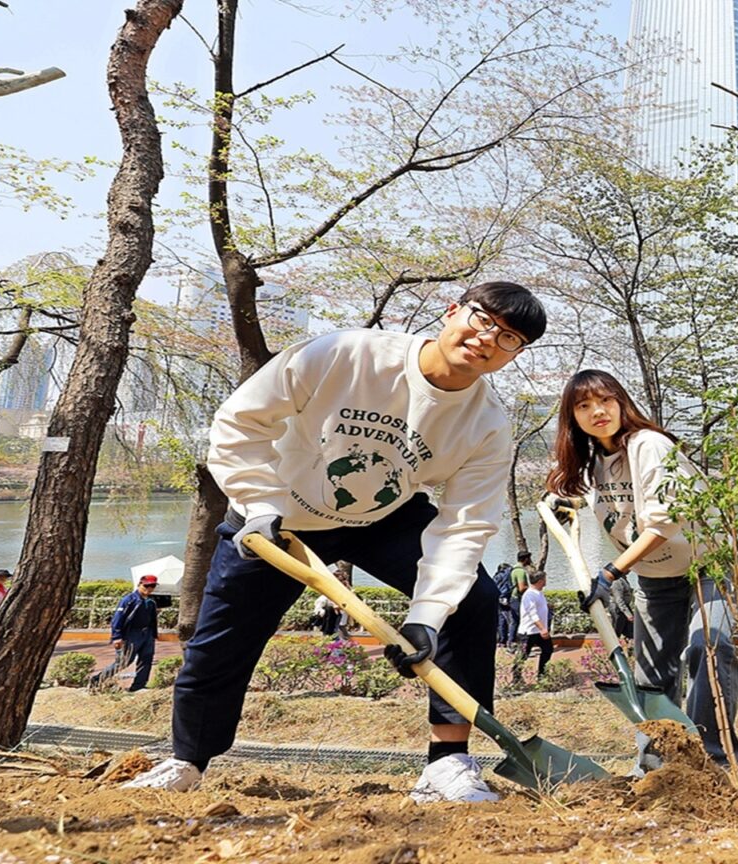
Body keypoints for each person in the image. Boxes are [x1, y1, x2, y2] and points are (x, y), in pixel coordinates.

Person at [123, 280, 546, 803]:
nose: (487, 339)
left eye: (509, 338)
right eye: (483, 320)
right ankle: (187, 760)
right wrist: (259, 503)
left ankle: (448, 762)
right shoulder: (346, 354)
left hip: (384, 516)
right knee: (222, 638)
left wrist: (427, 616)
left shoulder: (487, 425)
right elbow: (240, 422)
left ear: (514, 355)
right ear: (453, 310)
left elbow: (465, 524)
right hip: (277, 516)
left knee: (471, 601)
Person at [545, 369, 738, 765]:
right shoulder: (591, 463)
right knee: (651, 677)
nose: (598, 411)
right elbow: (600, 501)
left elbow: (663, 523)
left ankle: (712, 760)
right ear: (572, 417)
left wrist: (611, 573)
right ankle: (657, 767)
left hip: (708, 565)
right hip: (654, 576)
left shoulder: (649, 444)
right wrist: (564, 501)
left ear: (621, 402)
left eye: (606, 400)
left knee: (711, 647)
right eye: (584, 405)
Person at [110, 575, 162, 691]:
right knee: (124, 661)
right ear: (139, 584)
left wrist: (154, 634)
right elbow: (117, 619)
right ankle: (97, 680)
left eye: (152, 586)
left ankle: (139, 686)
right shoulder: (129, 600)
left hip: (147, 634)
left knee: (146, 660)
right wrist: (117, 636)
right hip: (132, 634)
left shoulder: (151, 602)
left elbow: (152, 619)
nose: (149, 588)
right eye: (146, 585)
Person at [516, 570, 552, 678]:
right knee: (523, 655)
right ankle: (516, 678)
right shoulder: (529, 595)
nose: (546, 581)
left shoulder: (539, 592)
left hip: (538, 631)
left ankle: (542, 675)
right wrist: (543, 629)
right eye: (544, 579)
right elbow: (533, 614)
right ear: (540, 581)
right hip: (528, 632)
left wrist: (547, 606)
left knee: (548, 650)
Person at [492, 562, 518, 648]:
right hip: (506, 598)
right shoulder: (509, 573)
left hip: (498, 598)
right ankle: (510, 640)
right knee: (511, 620)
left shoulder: (497, 575)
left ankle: (502, 641)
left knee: (501, 620)